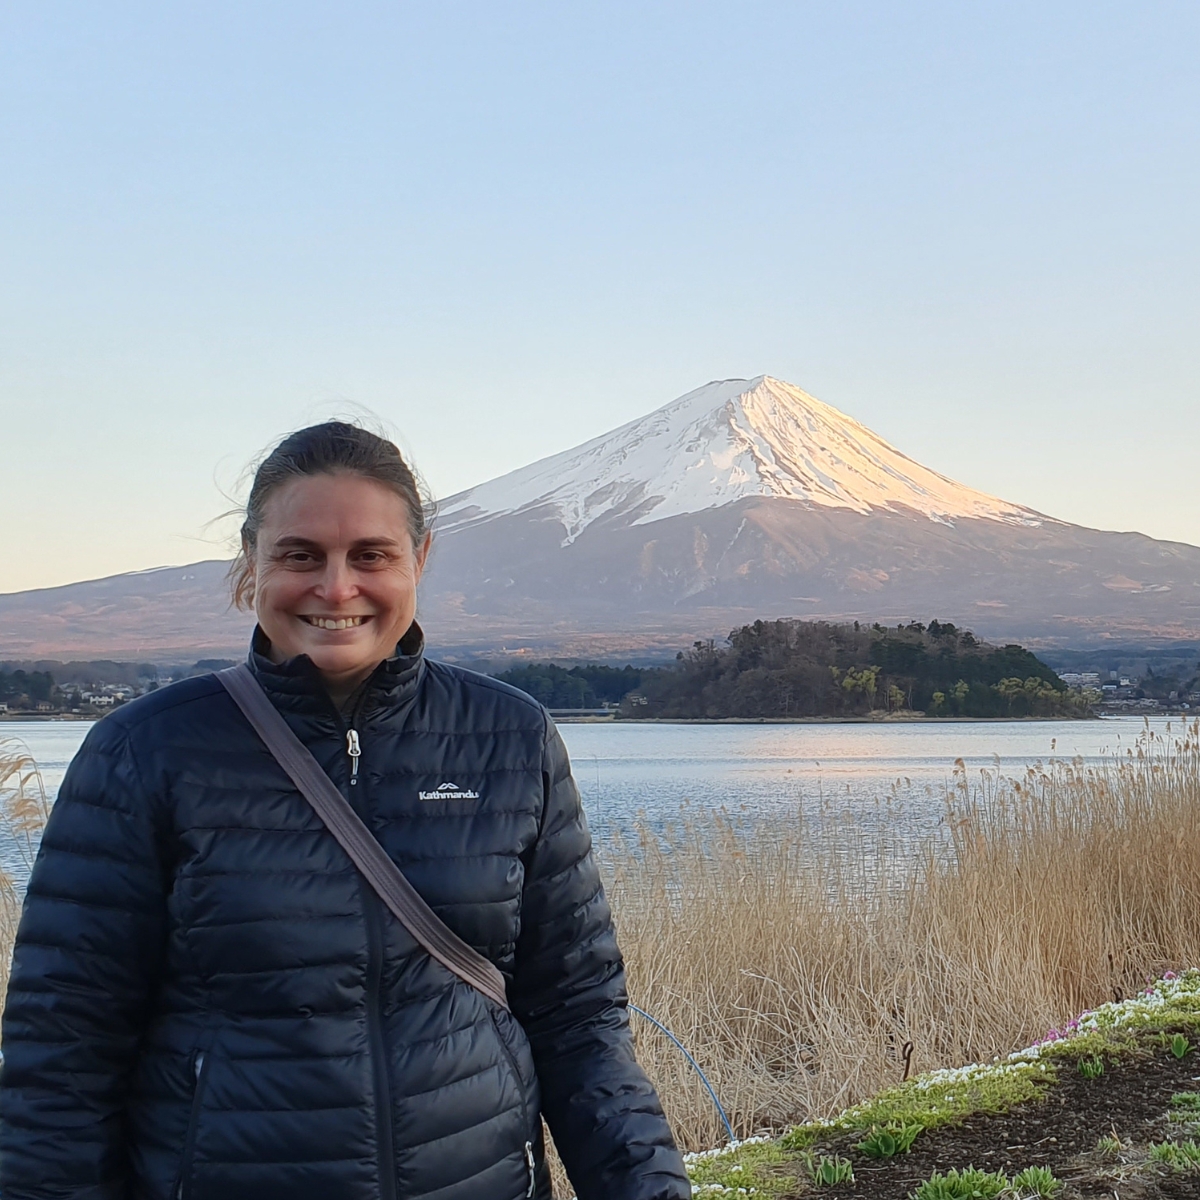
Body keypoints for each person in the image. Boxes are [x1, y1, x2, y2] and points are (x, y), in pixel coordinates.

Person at [0, 422, 690, 1200]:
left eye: (371, 555)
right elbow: (61, 1056)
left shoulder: (510, 737)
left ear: (419, 558)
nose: (336, 589)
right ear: (252, 559)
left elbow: (579, 1020)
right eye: (300, 556)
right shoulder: (146, 751)